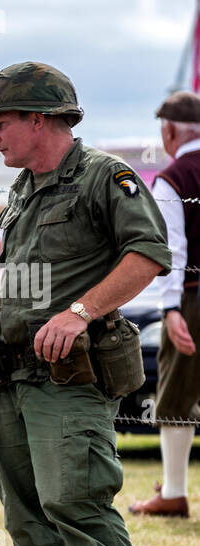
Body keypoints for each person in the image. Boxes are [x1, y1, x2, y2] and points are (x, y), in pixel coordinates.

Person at [0, 61, 172, 546]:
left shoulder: (105, 177)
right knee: (25, 511)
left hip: (71, 377)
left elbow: (150, 254)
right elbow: (24, 282)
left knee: (75, 497)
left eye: (0, 123)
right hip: (13, 377)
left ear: (39, 119)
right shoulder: (22, 188)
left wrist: (81, 312)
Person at [129, 91, 200, 517]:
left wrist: (171, 308)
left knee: (176, 394)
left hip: (194, 297)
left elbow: (173, 249)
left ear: (170, 131)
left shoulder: (174, 177)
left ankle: (173, 492)